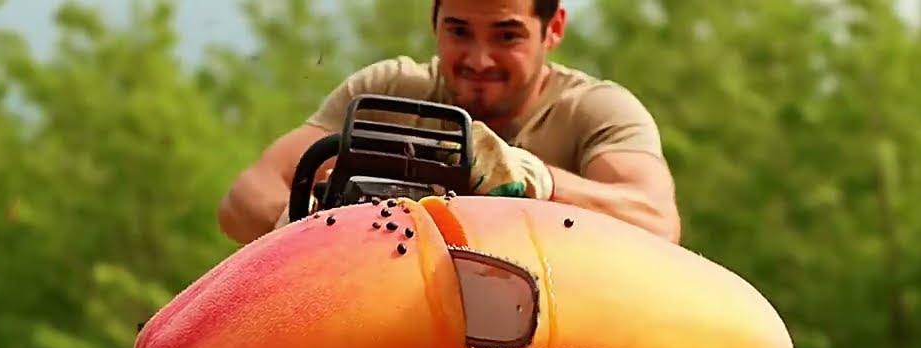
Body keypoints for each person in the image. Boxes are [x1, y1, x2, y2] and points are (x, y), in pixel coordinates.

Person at [217, 0, 681, 246]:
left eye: (506, 36)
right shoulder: (388, 92)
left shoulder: (595, 110)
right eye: (459, 31)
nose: (479, 60)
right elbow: (244, 198)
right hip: (384, 335)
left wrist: (539, 183)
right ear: (435, 20)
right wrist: (316, 229)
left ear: (554, 28)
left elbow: (657, 224)